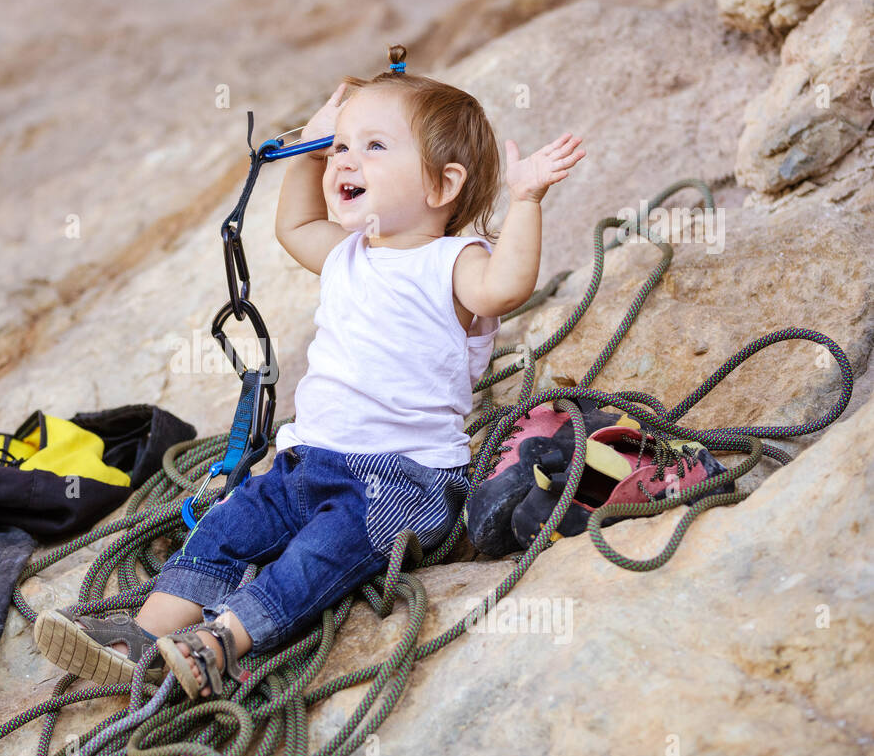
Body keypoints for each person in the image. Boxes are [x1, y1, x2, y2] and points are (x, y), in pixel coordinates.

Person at [34, 44, 584, 698]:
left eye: (373, 146)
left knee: (317, 555)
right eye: (341, 149)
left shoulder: (453, 261)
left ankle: (219, 644)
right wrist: (309, 144)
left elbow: (504, 287)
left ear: (442, 185)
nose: (345, 160)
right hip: (307, 461)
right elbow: (294, 222)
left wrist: (527, 200)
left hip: (401, 478)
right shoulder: (350, 252)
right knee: (226, 528)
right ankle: (143, 637)